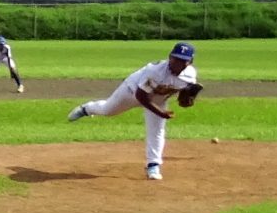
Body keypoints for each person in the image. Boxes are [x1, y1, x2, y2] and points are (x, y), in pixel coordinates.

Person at [68, 42, 200, 180]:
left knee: (157, 130)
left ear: (190, 62)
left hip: (158, 100)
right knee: (108, 110)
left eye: (182, 60)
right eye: (175, 59)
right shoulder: (155, 71)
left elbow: (185, 95)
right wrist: (160, 113)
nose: (177, 63)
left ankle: (153, 165)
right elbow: (141, 96)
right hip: (131, 92)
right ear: (170, 57)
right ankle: (87, 109)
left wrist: (187, 100)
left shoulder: (190, 75)